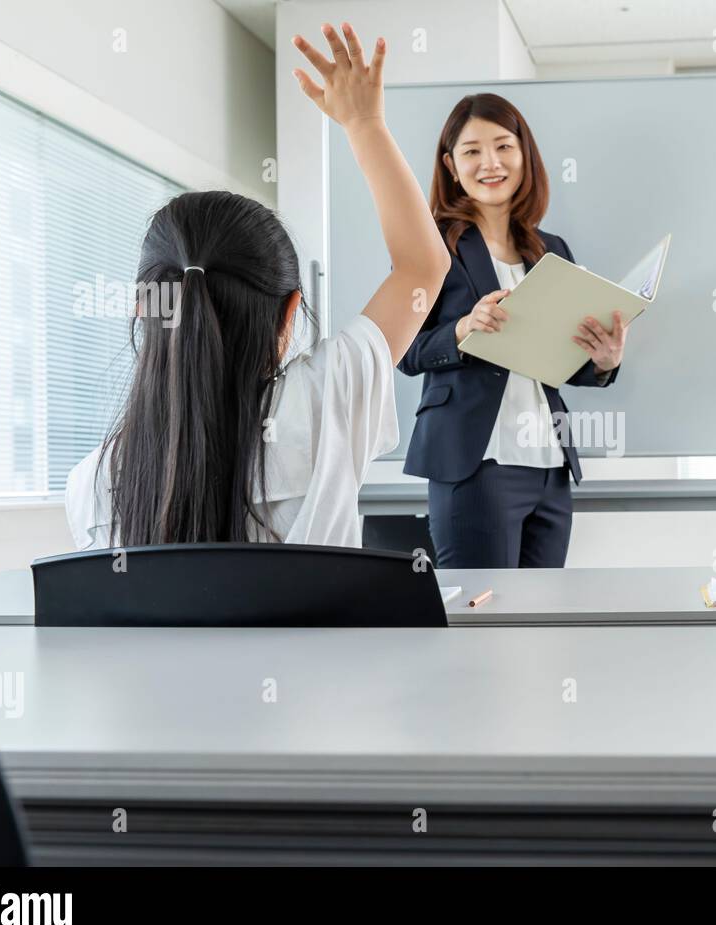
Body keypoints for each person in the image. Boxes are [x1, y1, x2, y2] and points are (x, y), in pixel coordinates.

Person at [66, 22, 449, 549]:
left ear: (143, 310)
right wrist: (363, 123)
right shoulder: (324, 400)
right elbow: (423, 266)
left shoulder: (94, 481)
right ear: (290, 312)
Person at [398, 93, 626, 569]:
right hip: (477, 464)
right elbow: (403, 350)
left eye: (504, 146)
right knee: (483, 619)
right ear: (451, 164)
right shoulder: (433, 244)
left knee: (541, 624)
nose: (491, 163)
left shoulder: (550, 249)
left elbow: (559, 356)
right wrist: (462, 328)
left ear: (525, 154)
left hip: (549, 465)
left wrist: (603, 363)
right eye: (473, 151)